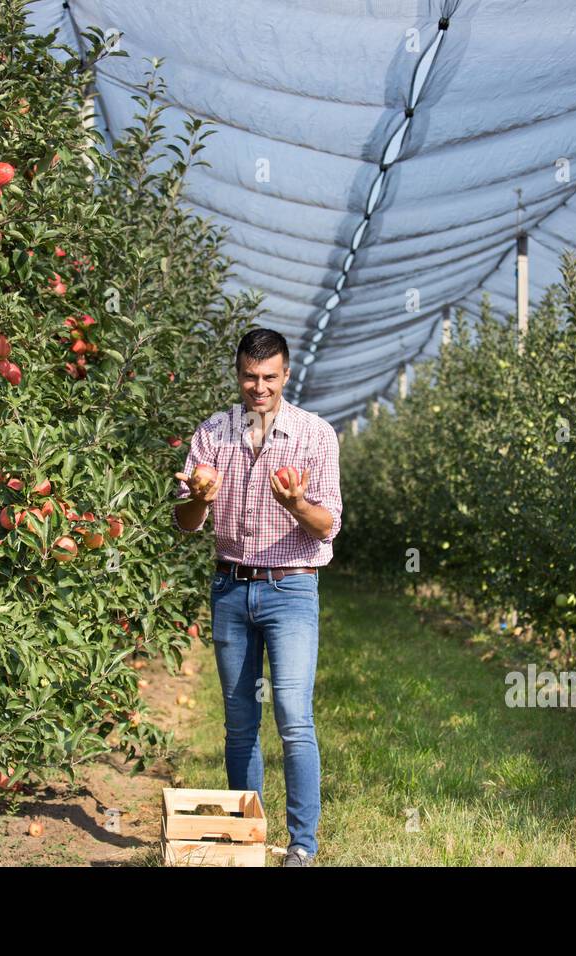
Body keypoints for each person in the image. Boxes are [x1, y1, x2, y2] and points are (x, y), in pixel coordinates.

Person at [172, 328, 343, 867]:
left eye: (270, 377)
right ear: (237, 373)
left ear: (287, 376)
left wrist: (295, 503)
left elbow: (327, 526)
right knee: (240, 718)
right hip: (230, 587)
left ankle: (301, 845)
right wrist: (200, 498)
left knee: (293, 714)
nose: (259, 387)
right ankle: (247, 840)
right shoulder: (212, 435)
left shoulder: (315, 436)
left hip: (291, 587)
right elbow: (186, 523)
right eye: (250, 375)